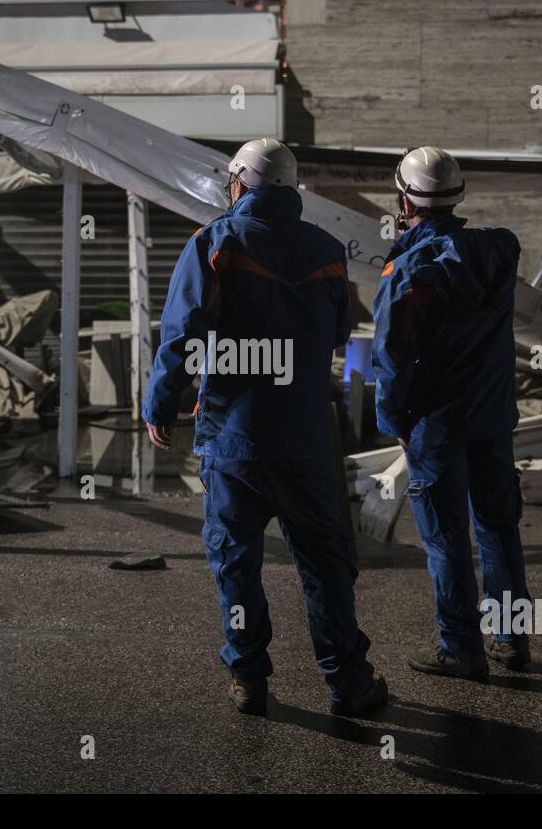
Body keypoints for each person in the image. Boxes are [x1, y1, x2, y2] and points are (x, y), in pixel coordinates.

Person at [143, 138, 386, 717]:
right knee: (324, 561)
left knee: (235, 560)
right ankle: (348, 683)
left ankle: (249, 676)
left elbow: (181, 337)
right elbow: (334, 336)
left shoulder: (214, 243)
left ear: (239, 184)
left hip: (235, 439)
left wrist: (160, 406)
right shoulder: (327, 250)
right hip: (304, 435)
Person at [372, 146, 533, 681]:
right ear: (457, 195)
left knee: (446, 536)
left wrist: (392, 419)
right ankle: (510, 639)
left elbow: (391, 356)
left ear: (404, 200)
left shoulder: (406, 271)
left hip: (436, 423)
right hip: (491, 415)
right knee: (497, 525)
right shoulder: (501, 248)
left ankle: (460, 645)